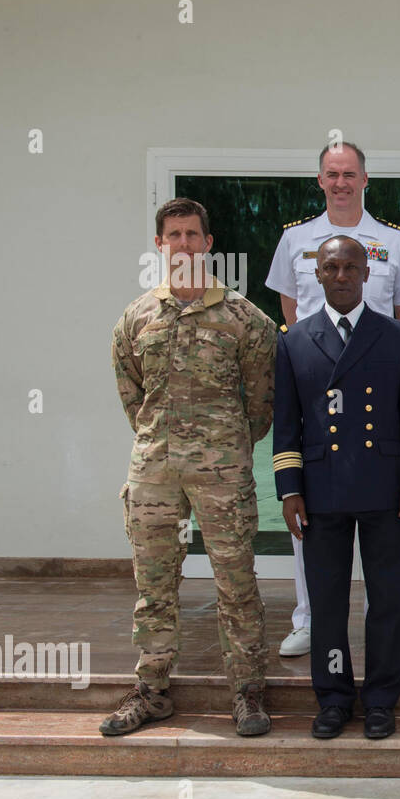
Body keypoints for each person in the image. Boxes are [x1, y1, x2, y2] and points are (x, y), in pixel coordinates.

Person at [105, 198, 276, 738]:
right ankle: (151, 691)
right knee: (153, 587)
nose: (182, 243)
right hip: (154, 472)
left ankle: (247, 691)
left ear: (207, 243)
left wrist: (221, 445)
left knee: (236, 582)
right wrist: (165, 443)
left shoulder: (244, 319)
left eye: (191, 234)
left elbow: (261, 403)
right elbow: (133, 396)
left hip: (222, 473)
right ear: (159, 244)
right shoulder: (136, 317)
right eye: (172, 234)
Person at [265, 142, 400, 658]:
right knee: (311, 529)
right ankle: (309, 619)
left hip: (375, 383)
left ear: (365, 179)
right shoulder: (295, 239)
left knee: (382, 569)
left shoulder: (393, 242)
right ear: (320, 180)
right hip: (316, 378)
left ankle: (378, 675)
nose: (340, 182)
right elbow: (290, 311)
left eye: (349, 173)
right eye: (331, 174)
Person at [274, 236, 400, 740]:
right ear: (317, 274)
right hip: (322, 490)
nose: (341, 276)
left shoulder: (396, 336)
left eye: (350, 267)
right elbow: (287, 423)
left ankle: (382, 697)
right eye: (331, 267)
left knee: (386, 599)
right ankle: (335, 696)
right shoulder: (295, 339)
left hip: (384, 486)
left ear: (368, 273)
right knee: (328, 601)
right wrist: (288, 489)